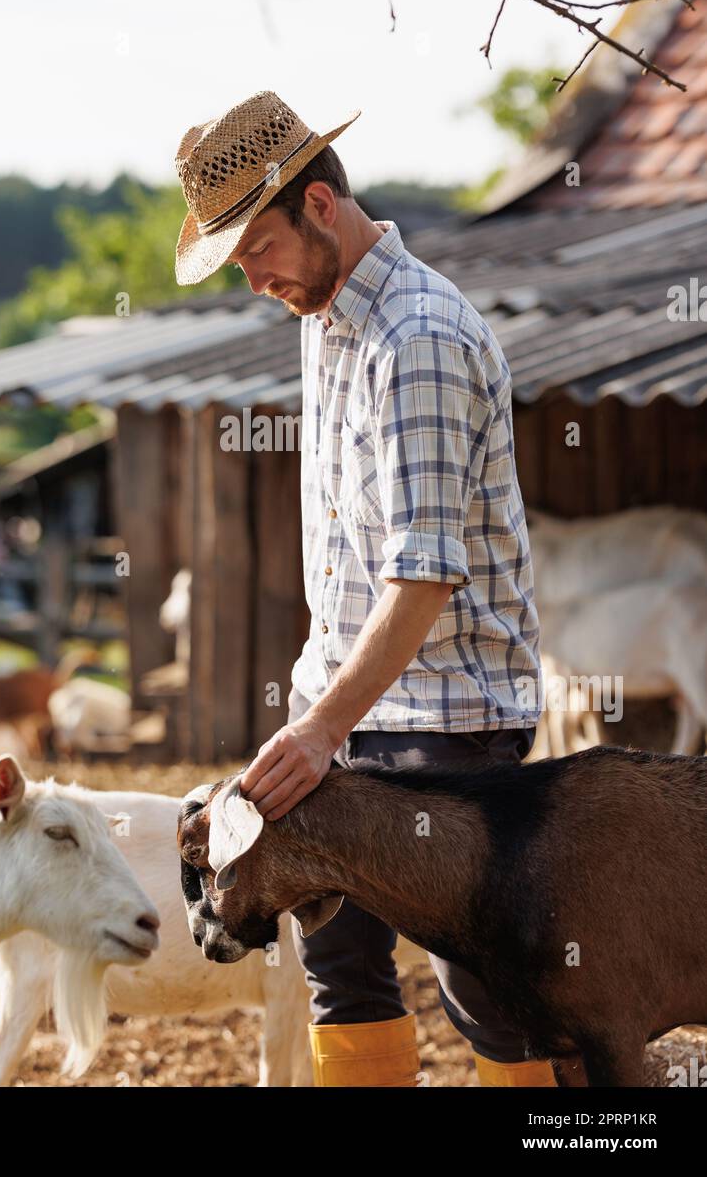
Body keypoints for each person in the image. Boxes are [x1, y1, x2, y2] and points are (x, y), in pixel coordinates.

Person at [173, 91, 550, 1088]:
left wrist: (314, 733)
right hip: (342, 704)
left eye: (256, 247)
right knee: (334, 958)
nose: (251, 279)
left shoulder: (414, 338)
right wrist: (310, 712)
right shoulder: (322, 313)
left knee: (484, 988)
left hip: (450, 717)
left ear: (320, 207)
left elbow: (421, 577)